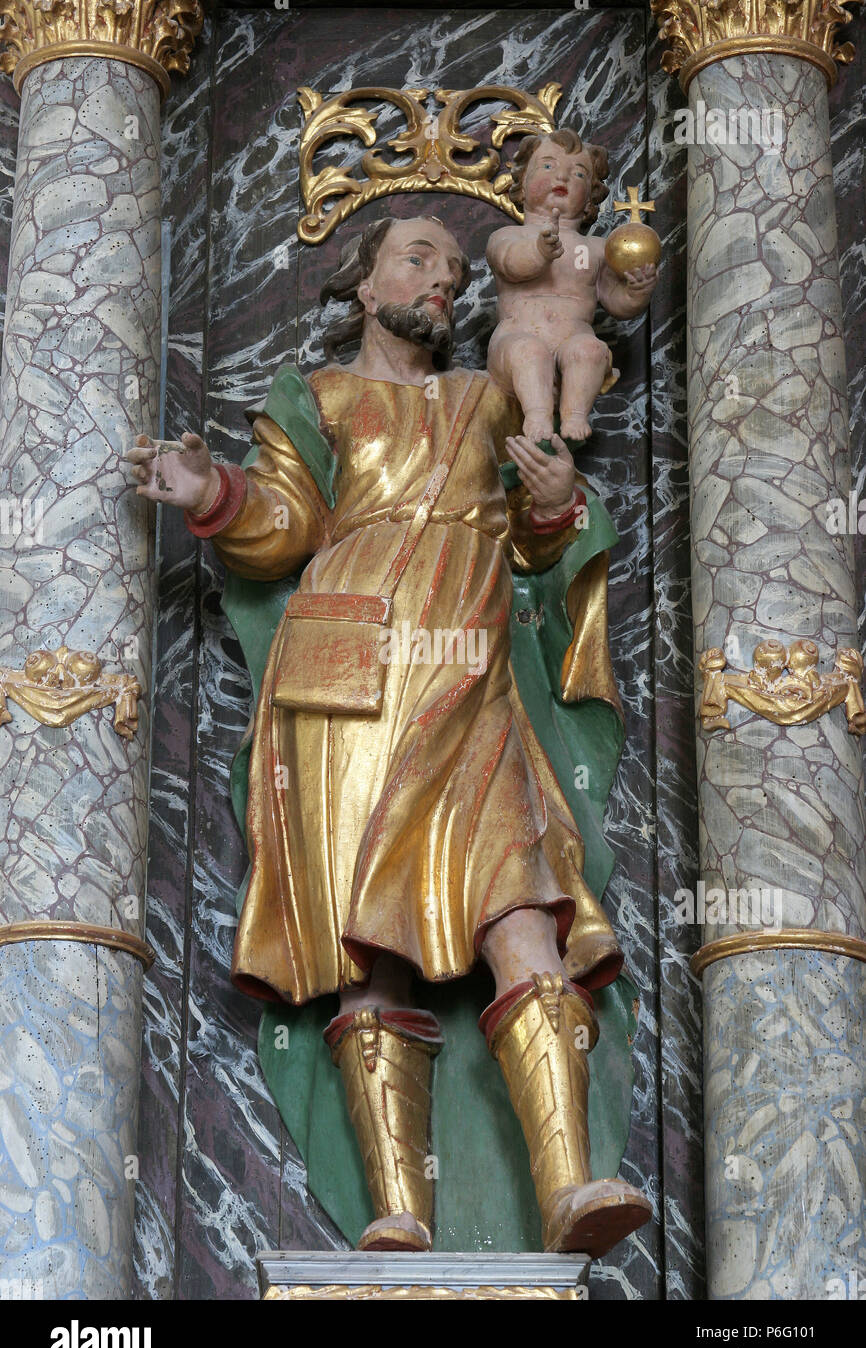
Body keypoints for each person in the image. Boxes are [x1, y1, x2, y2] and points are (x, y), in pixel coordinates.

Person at [125, 214, 650, 1257]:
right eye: (416, 259)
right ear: (362, 288)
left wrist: (549, 508)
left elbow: (541, 537)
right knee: (367, 947)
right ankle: (395, 1209)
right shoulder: (316, 398)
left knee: (524, 916)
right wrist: (211, 494)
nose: (442, 282)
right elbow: (283, 529)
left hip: (473, 678)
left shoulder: (489, 394)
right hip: (350, 686)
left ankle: (569, 1187)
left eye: (456, 272)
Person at [487, 129, 657, 442]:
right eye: (548, 167)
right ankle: (537, 415)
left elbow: (614, 300)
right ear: (522, 183)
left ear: (591, 196)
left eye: (578, 173)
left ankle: (574, 415)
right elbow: (511, 265)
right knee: (528, 351)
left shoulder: (595, 248)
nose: (562, 177)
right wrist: (539, 251)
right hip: (516, 340)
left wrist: (636, 291)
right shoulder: (508, 237)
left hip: (573, 339)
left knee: (591, 349)